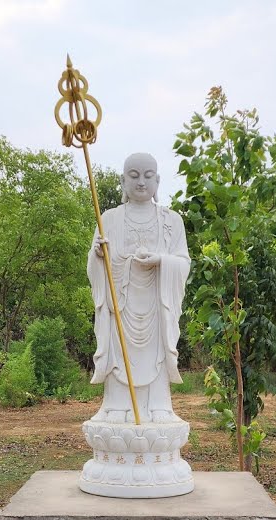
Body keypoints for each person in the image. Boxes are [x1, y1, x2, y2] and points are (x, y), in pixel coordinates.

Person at [88, 152, 190, 424]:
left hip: (157, 304)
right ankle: (116, 407)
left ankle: (159, 406)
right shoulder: (107, 219)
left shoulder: (172, 220)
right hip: (120, 304)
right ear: (123, 181)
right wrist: (98, 256)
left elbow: (183, 263)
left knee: (156, 354)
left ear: (157, 181)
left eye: (148, 176)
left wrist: (161, 261)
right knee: (119, 352)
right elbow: (95, 266)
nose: (141, 182)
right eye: (134, 176)